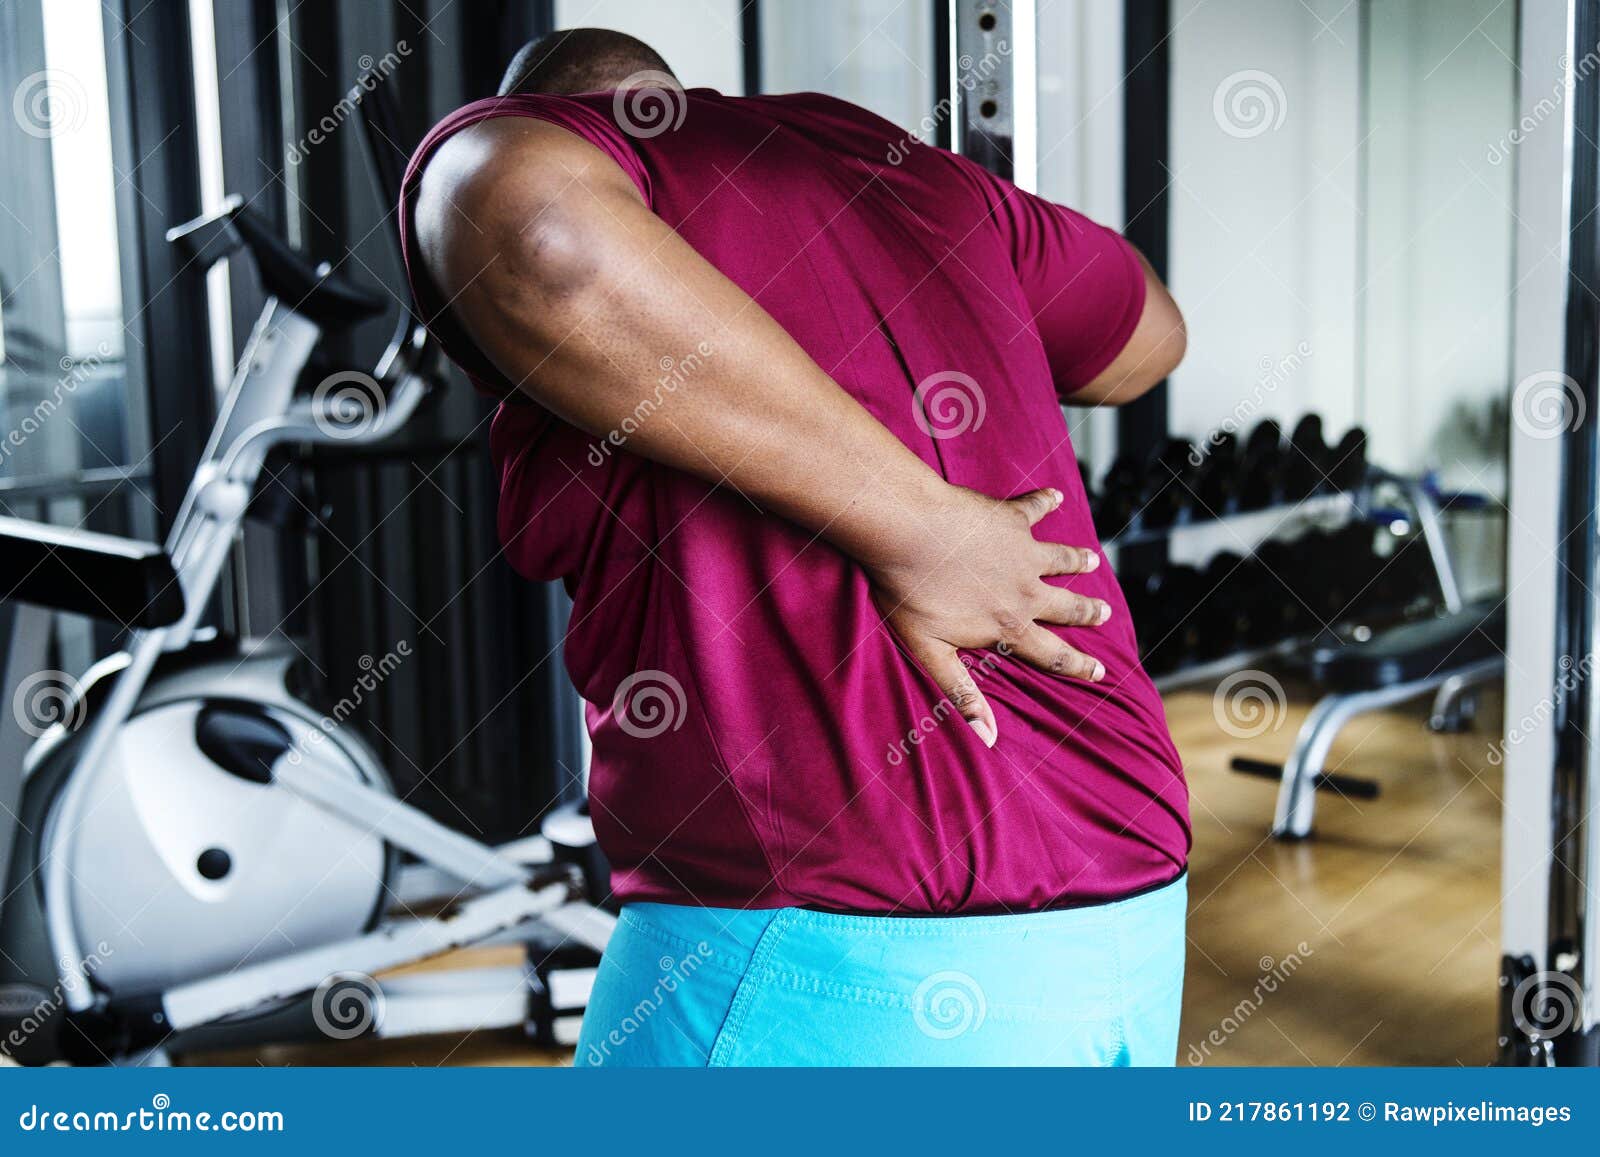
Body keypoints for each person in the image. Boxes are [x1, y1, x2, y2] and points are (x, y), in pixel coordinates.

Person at [401, 27, 1190, 1066]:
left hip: (838, 928)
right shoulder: (913, 176)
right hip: (1124, 900)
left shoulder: (547, 150)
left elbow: (536, 234)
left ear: (574, 114)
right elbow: (1150, 338)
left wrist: (921, 527)